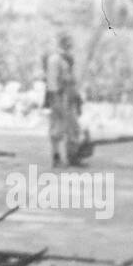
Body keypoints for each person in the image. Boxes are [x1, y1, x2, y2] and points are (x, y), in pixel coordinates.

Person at [44, 31, 82, 167]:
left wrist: (77, 98)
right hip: (59, 97)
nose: (69, 44)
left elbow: (73, 80)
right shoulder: (54, 60)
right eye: (66, 41)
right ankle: (56, 157)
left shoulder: (69, 58)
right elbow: (52, 82)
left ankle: (73, 157)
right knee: (57, 128)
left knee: (73, 128)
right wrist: (56, 101)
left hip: (70, 97)